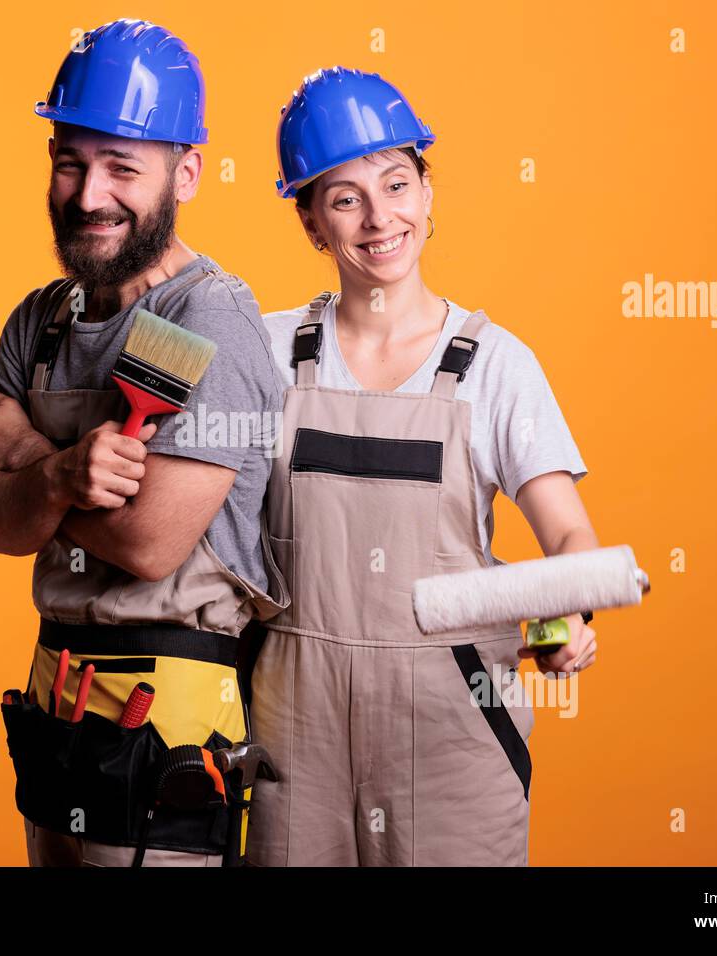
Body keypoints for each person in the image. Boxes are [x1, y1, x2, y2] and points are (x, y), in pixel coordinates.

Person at [0, 18, 285, 867]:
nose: (90, 193)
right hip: (55, 708)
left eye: (122, 167)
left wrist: (29, 461)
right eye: (71, 161)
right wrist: (62, 474)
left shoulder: (209, 317)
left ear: (188, 173)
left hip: (167, 726)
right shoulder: (41, 319)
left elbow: (150, 541)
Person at [245, 67, 600, 867]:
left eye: (397, 184)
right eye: (345, 198)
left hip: (453, 731)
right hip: (292, 740)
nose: (380, 218)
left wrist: (564, 618)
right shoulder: (264, 353)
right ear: (309, 221)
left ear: (428, 191)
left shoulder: (497, 366)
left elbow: (570, 532)